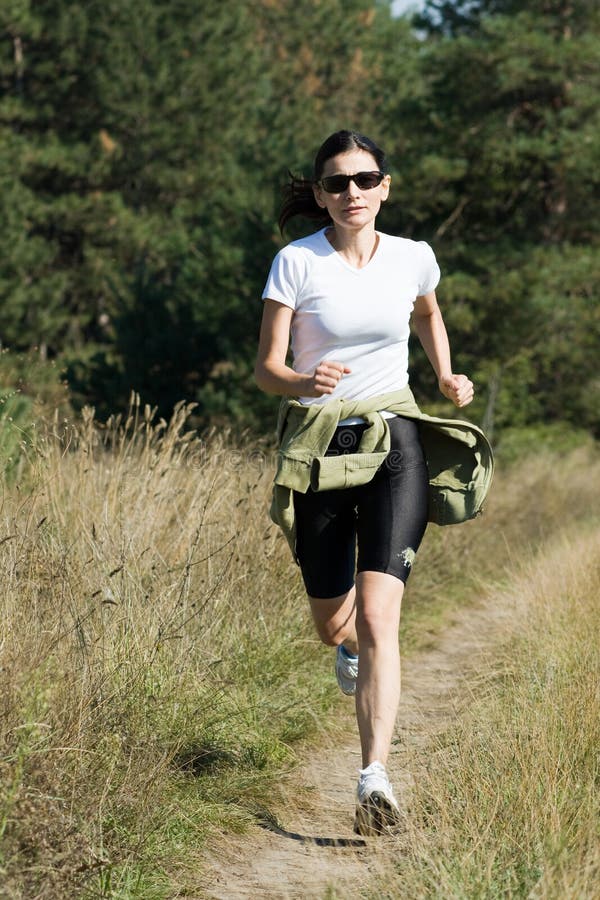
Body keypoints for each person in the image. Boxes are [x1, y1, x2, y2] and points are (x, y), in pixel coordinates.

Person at [254, 129, 478, 836]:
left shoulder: (414, 258)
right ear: (320, 194)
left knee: (383, 614)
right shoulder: (296, 263)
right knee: (335, 626)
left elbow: (428, 312)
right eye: (337, 182)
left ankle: (374, 778)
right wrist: (299, 379)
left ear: (385, 186)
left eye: (364, 179)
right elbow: (266, 368)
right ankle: (347, 649)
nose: (352, 192)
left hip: (395, 438)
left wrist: (443, 373)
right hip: (320, 444)